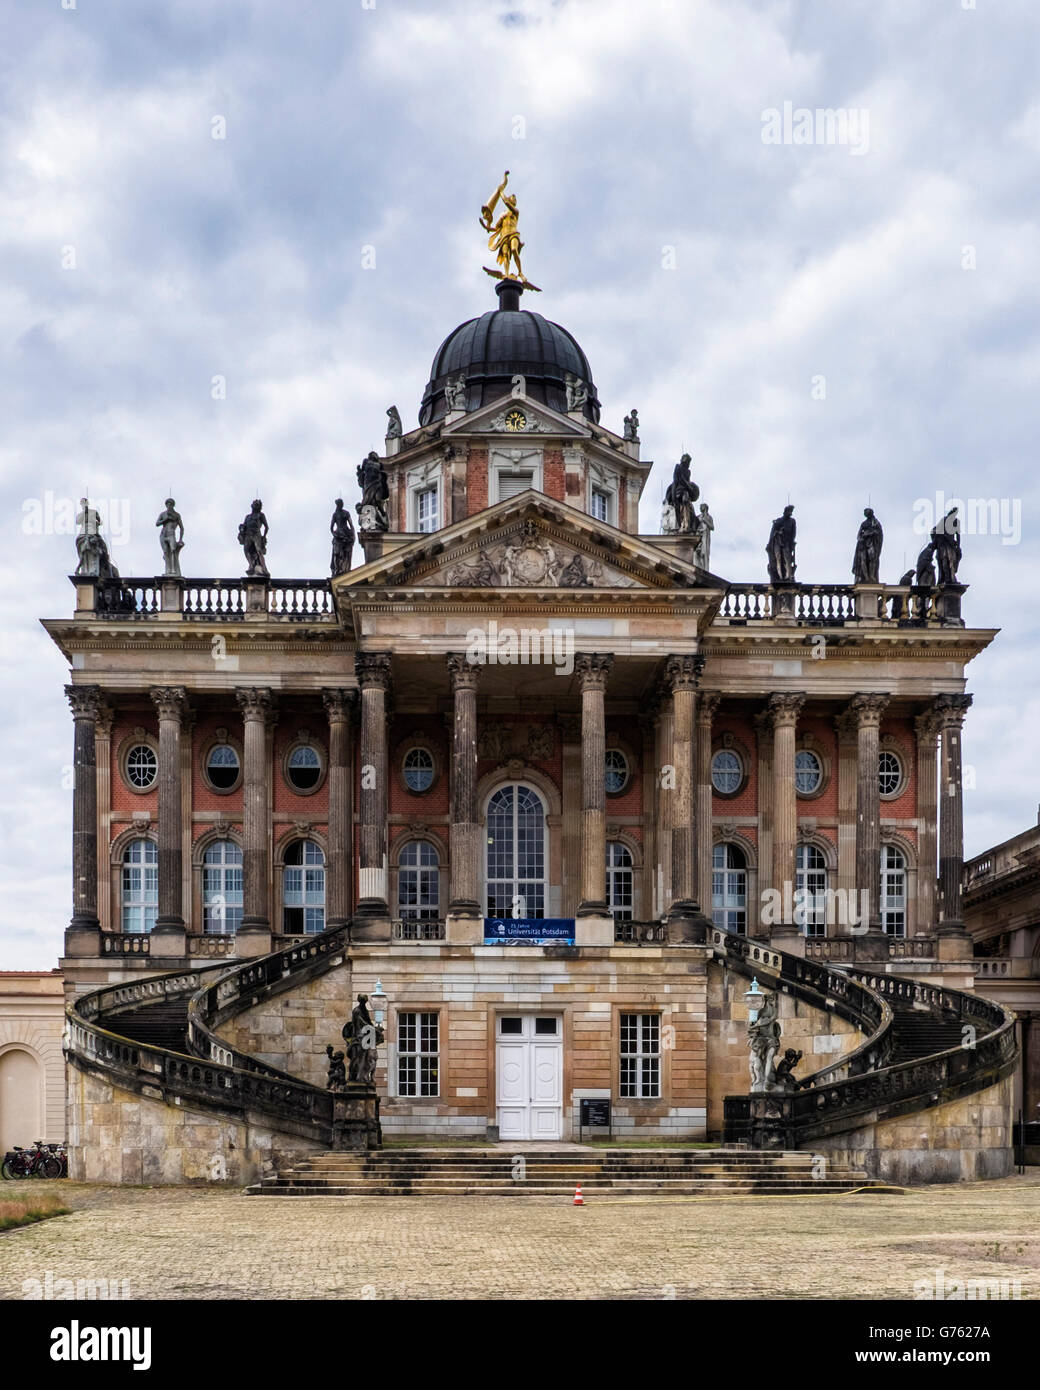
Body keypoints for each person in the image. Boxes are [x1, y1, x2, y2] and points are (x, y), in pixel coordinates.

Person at [851, 507, 883, 584]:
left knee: (872, 558)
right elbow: (858, 536)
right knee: (863, 559)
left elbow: (879, 533)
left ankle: (871, 576)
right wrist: (862, 537)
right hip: (863, 544)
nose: (867, 514)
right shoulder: (863, 524)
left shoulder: (876, 523)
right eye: (866, 513)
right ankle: (866, 577)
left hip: (872, 543)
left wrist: (871, 533)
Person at [238, 499, 269, 577]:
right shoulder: (248, 517)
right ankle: (251, 565)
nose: (256, 505)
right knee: (246, 550)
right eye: (255, 504)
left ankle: (264, 568)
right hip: (248, 534)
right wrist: (241, 529)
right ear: (252, 506)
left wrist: (264, 537)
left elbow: (266, 527)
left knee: (259, 551)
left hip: (256, 534)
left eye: (258, 504)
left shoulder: (261, 515)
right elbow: (244, 526)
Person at [766, 505, 796, 584]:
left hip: (787, 543)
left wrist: (792, 542)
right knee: (778, 559)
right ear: (785, 511)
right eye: (789, 511)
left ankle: (787, 576)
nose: (790, 513)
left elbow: (793, 532)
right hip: (777, 542)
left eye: (791, 512)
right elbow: (772, 533)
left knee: (787, 559)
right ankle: (779, 576)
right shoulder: (778, 521)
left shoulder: (792, 521)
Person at [156, 498, 184, 577]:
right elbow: (157, 523)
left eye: (171, 504)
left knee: (173, 550)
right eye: (168, 504)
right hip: (163, 534)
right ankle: (168, 570)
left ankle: (173, 570)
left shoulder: (177, 515)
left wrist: (180, 539)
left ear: (173, 505)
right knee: (165, 552)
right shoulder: (163, 514)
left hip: (171, 533)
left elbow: (182, 528)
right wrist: (165, 519)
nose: (169, 505)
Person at [330, 499, 356, 577]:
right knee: (337, 554)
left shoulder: (345, 513)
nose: (340, 505)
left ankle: (343, 569)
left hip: (346, 534)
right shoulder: (335, 514)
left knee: (345, 554)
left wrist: (352, 535)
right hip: (339, 535)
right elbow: (331, 528)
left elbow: (351, 526)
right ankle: (338, 570)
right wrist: (335, 535)